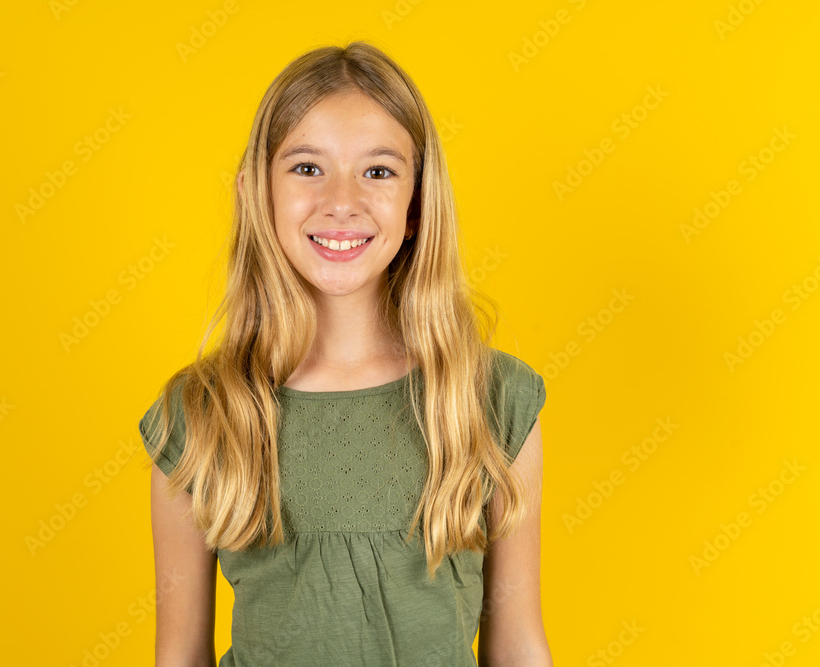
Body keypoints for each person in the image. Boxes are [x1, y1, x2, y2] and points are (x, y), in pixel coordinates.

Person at [139, 40, 552, 667]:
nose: (342, 200)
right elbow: (180, 654)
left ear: (417, 203)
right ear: (258, 193)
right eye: (307, 168)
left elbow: (518, 645)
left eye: (379, 171)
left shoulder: (493, 399)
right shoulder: (200, 413)